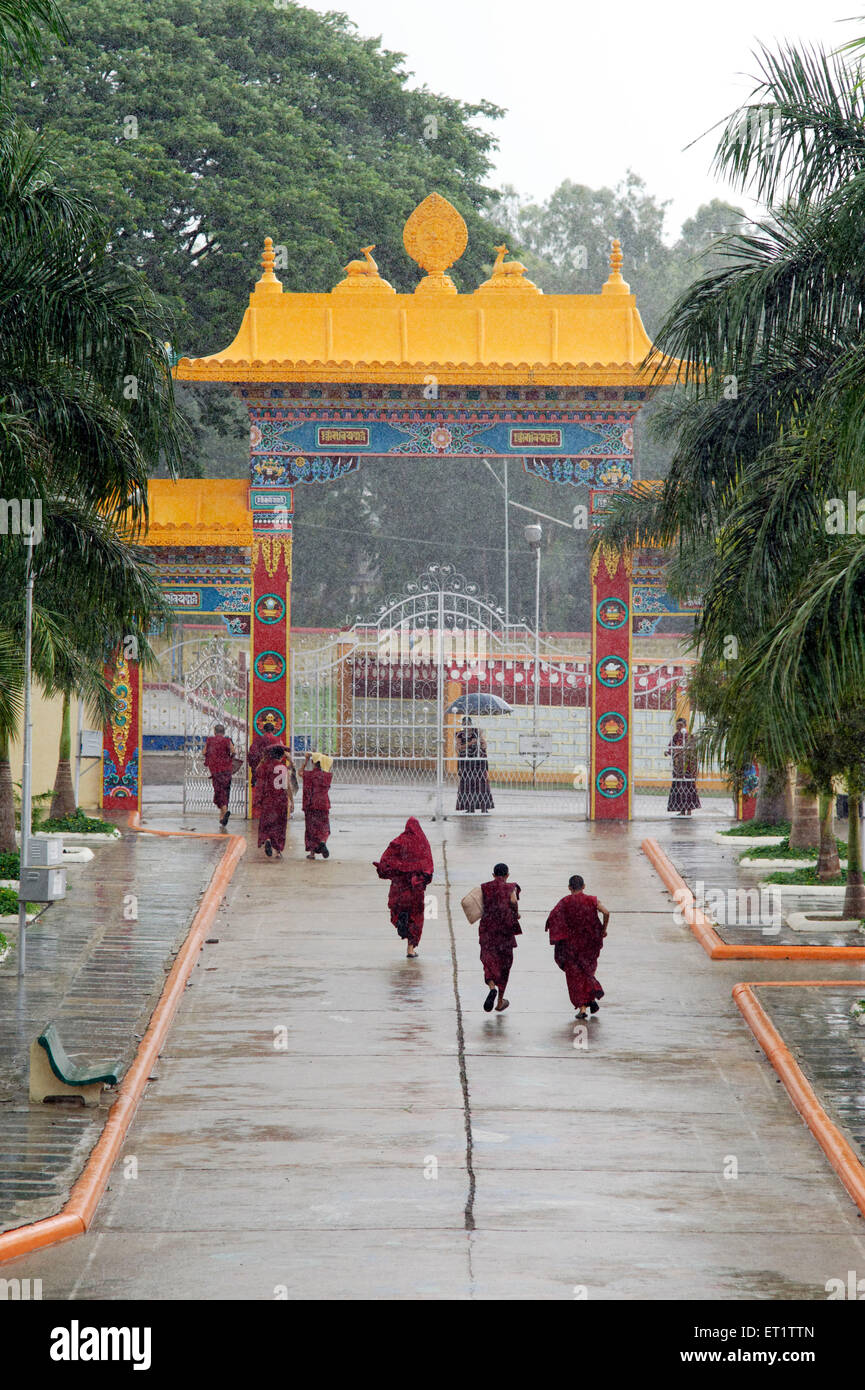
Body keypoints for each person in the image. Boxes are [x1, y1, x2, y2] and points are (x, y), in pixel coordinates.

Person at [545, 874, 609, 1021]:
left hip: (571, 945)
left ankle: (582, 1008)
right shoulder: (592, 900)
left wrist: (559, 933)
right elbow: (606, 912)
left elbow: (552, 918)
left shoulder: (565, 902)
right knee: (587, 971)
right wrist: (603, 929)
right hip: (589, 944)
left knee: (575, 976)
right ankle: (591, 1000)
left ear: (569, 888)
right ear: (584, 886)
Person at [373, 817, 433, 958]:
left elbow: (386, 860)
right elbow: (428, 866)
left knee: (399, 909)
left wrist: (390, 870)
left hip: (399, 887)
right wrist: (422, 878)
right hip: (414, 888)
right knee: (416, 917)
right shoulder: (422, 844)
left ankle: (401, 921)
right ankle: (410, 949)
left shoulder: (399, 841)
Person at [478, 862, 521, 1013]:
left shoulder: (485, 887)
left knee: (488, 960)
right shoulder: (510, 887)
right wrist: (516, 914)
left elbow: (476, 905)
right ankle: (500, 1001)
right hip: (505, 930)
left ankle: (491, 987)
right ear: (507, 875)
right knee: (504, 964)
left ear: (493, 875)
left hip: (488, 930)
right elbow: (514, 901)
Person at [455, 716, 494, 813]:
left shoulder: (477, 733)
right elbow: (459, 748)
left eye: (468, 724)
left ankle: (484, 807)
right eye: (464, 724)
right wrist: (470, 743)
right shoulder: (459, 734)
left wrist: (480, 740)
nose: (466, 726)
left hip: (478, 762)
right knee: (467, 784)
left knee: (481, 783)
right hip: (465, 762)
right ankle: (469, 808)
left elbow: (484, 745)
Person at [258, 744, 290, 859]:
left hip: (268, 798)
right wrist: (290, 801)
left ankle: (267, 839)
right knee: (279, 825)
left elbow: (258, 775)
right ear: (282, 756)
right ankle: (278, 850)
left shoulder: (265, 766)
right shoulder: (283, 768)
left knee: (267, 822)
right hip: (281, 800)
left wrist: (262, 760)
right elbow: (287, 786)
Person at [665, 717, 701, 816]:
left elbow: (693, 751)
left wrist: (682, 752)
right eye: (677, 726)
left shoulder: (690, 737)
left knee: (688, 788)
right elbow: (671, 747)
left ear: (685, 726)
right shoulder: (676, 736)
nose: (678, 728)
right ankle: (681, 809)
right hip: (678, 768)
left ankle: (689, 810)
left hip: (687, 768)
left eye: (680, 726)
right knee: (679, 788)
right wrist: (668, 752)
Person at [302, 751, 333, 860]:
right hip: (323, 804)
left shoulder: (308, 775)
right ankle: (322, 841)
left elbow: (300, 772)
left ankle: (312, 853)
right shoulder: (327, 776)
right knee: (324, 827)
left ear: (313, 763)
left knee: (311, 829)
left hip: (310, 804)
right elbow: (329, 762)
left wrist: (306, 759)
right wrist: (318, 755)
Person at [203, 722, 235, 827]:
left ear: (215, 731)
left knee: (219, 792)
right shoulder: (227, 740)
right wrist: (229, 757)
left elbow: (204, 752)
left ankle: (224, 812)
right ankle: (222, 817)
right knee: (225, 791)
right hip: (226, 770)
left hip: (216, 770)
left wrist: (211, 755)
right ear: (224, 732)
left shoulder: (210, 740)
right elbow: (233, 751)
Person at [248, 719, 279, 817]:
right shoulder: (277, 740)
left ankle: (261, 813)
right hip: (274, 769)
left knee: (261, 791)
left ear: (263, 730)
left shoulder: (258, 740)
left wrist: (254, 766)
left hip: (261, 769)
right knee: (272, 791)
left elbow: (252, 754)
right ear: (273, 730)